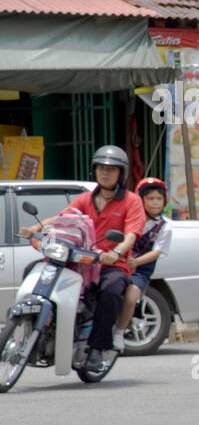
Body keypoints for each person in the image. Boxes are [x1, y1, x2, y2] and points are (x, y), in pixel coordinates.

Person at [20, 145, 144, 373]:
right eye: (100, 168)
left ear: (121, 174)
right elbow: (63, 217)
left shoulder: (132, 201)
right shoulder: (85, 199)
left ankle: (98, 348)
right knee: (32, 270)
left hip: (110, 264)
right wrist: (35, 228)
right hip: (79, 260)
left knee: (112, 291)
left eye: (111, 169)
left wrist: (116, 253)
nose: (104, 173)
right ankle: (36, 331)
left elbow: (130, 235)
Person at [113, 177, 174, 351]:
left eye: (159, 199)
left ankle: (119, 332)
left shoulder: (164, 227)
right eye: (150, 198)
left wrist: (136, 262)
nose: (155, 203)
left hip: (140, 271)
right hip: (118, 263)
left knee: (131, 297)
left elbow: (156, 253)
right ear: (140, 200)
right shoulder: (129, 218)